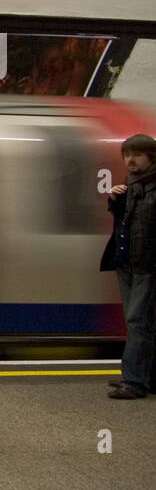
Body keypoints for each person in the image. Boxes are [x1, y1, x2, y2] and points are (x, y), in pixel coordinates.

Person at [99, 134, 156, 399]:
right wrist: (114, 200)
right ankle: (145, 378)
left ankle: (133, 382)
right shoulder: (131, 185)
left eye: (137, 154)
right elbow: (126, 225)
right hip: (127, 263)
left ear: (151, 157)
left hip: (147, 264)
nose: (130, 160)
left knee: (137, 321)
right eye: (126, 155)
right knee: (142, 323)